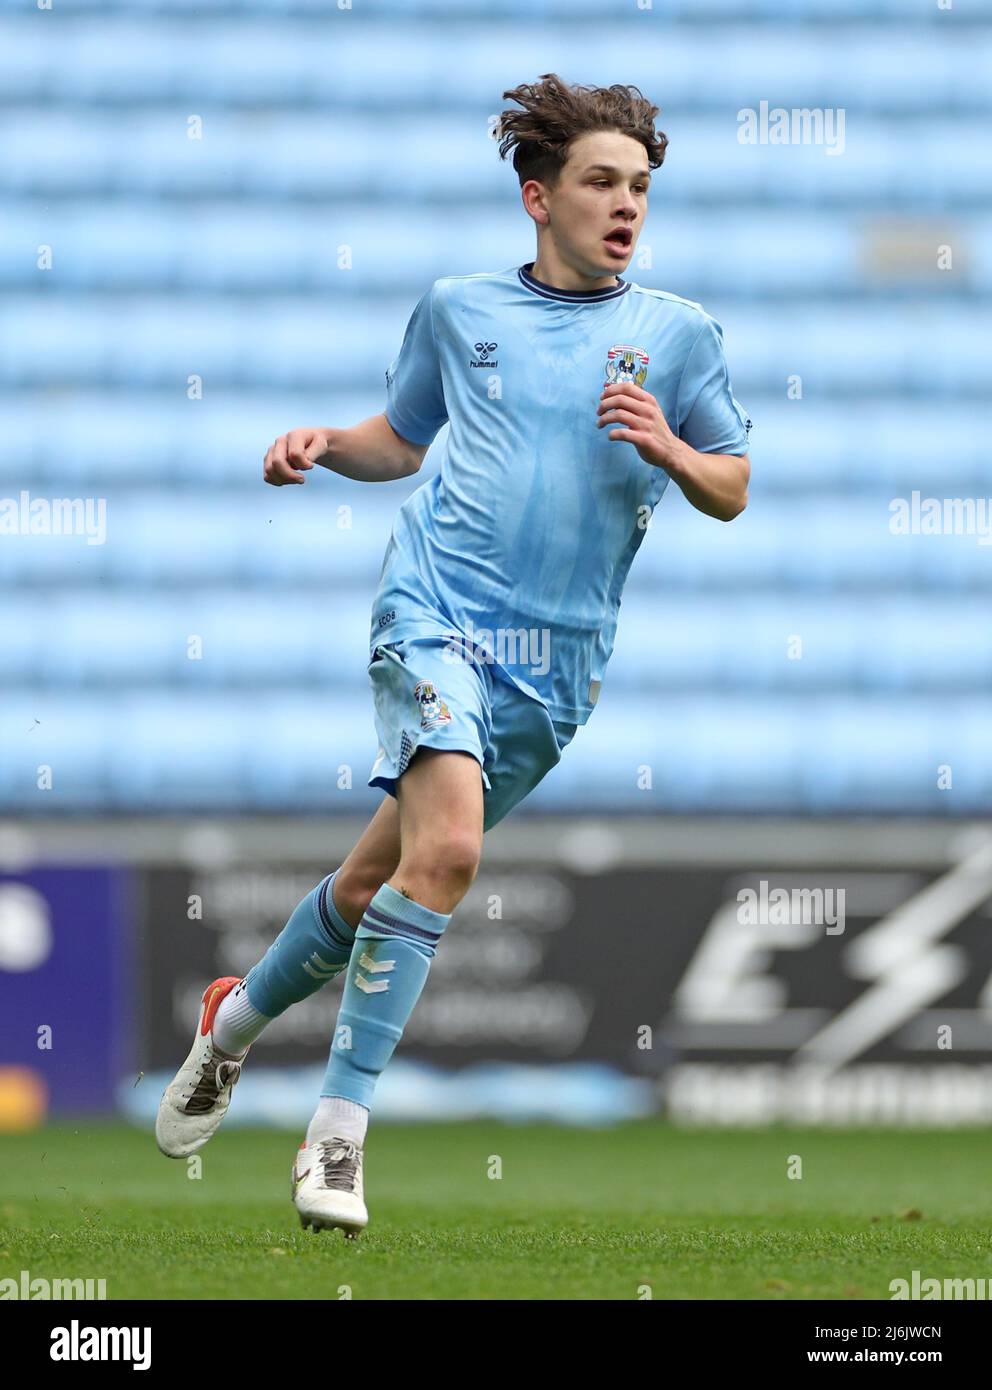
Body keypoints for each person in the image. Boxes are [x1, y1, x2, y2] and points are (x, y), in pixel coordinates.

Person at [155, 72, 752, 1237]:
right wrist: (326, 444)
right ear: (539, 196)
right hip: (435, 611)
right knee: (453, 851)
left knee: (374, 884)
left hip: (556, 661)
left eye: (638, 187)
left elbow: (730, 485)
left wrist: (672, 450)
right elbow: (401, 439)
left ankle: (227, 1026)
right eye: (599, 182)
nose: (624, 205)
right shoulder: (457, 309)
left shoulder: (677, 335)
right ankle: (336, 1136)